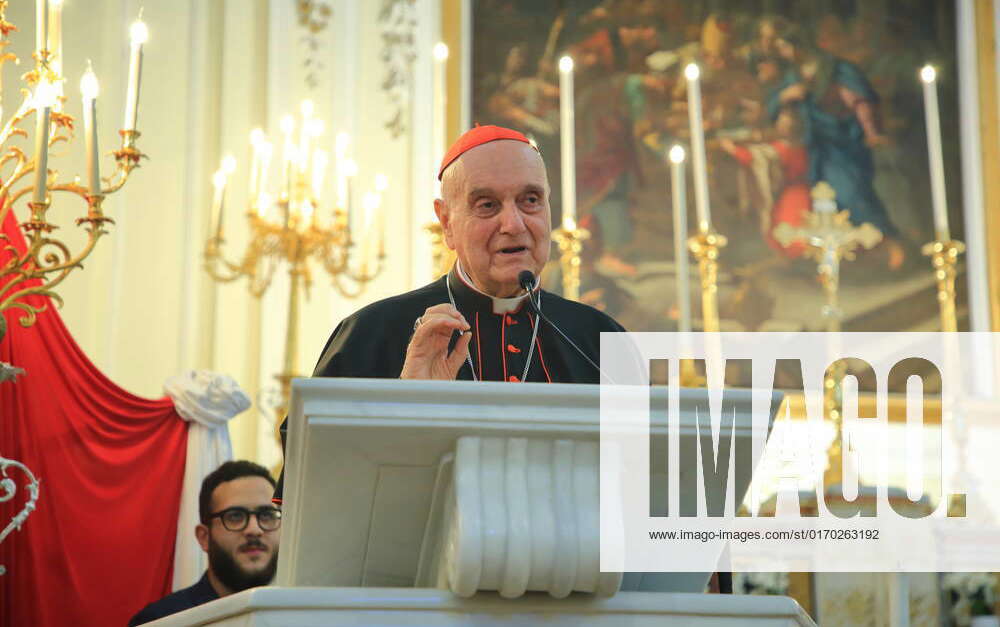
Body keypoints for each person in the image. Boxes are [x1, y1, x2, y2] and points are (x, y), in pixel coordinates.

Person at [273, 124, 635, 504]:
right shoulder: (371, 334)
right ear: (446, 222)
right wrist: (404, 410)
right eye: (487, 205)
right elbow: (314, 491)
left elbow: (651, 487)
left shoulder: (600, 340)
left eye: (530, 200)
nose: (513, 224)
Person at [129, 461, 281, 626]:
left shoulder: (301, 614)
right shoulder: (161, 621)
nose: (254, 529)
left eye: (267, 515)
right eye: (235, 516)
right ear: (204, 537)